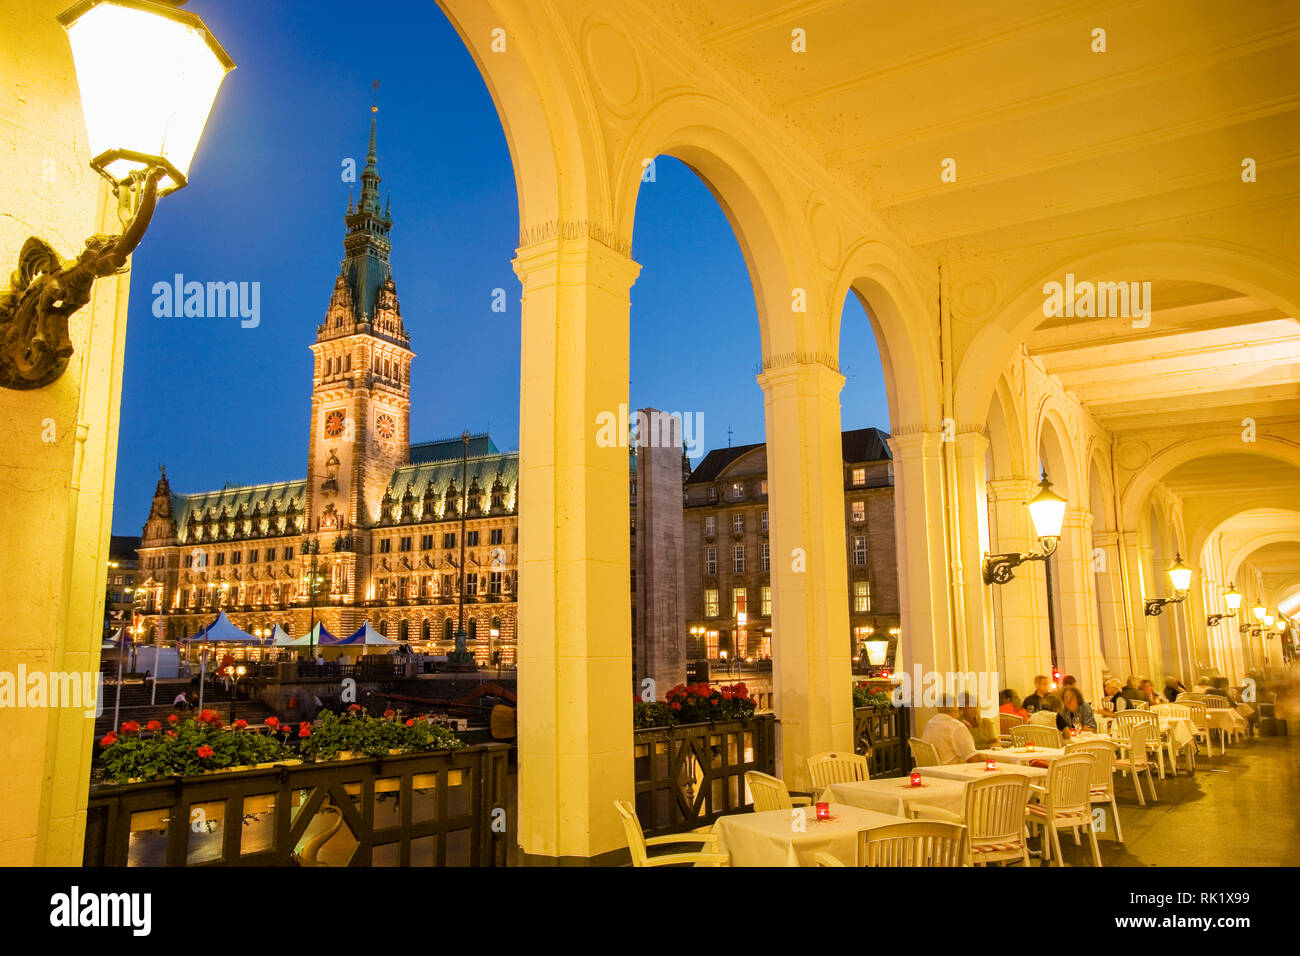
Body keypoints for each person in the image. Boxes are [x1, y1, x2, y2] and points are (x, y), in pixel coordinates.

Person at [921, 704, 987, 764]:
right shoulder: (957, 727)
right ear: (957, 708)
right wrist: (993, 761)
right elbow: (973, 759)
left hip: (931, 770)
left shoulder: (931, 723)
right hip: (953, 771)